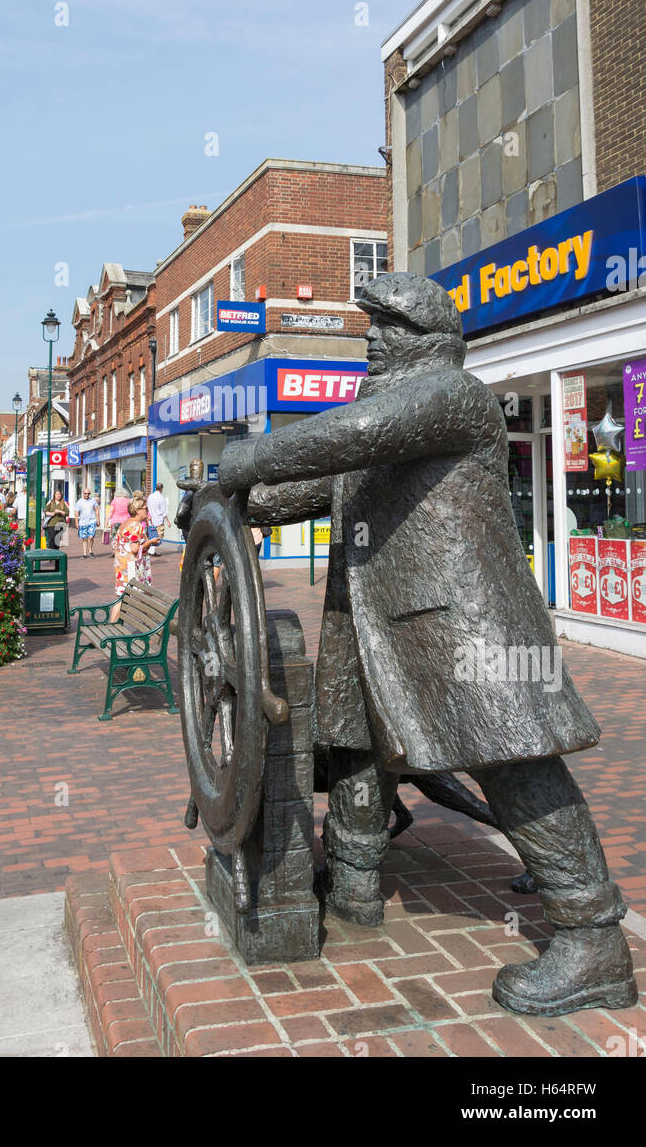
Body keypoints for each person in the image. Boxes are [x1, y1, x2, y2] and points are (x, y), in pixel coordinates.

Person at [217, 270, 636, 1019]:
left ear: (430, 341)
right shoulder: (386, 414)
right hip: (382, 627)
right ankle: (354, 880)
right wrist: (223, 500)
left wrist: (240, 461)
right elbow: (305, 488)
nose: (372, 338)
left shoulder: (451, 396)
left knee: (515, 764)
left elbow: (346, 437)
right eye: (370, 325)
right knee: (358, 750)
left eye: (389, 327)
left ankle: (591, 935)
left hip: (470, 622)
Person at [109, 494, 155, 623]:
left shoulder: (125, 523)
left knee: (123, 595)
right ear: (137, 510)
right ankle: (149, 625)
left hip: (121, 564)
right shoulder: (136, 526)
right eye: (145, 508)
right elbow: (135, 549)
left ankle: (149, 623)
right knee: (140, 594)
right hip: (132, 566)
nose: (147, 511)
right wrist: (150, 542)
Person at [146, 482, 170, 555]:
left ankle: (151, 550)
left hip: (151, 519)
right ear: (162, 489)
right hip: (159, 520)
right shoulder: (161, 497)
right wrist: (168, 521)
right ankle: (152, 551)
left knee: (152, 534)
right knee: (158, 536)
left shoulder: (150, 496)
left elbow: (147, 507)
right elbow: (163, 511)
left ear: (155, 488)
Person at [76, 487, 99, 558]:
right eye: (85, 493)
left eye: (88, 493)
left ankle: (90, 551)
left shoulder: (93, 501)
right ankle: (84, 554)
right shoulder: (79, 502)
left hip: (92, 521)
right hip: (83, 522)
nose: (87, 495)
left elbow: (96, 510)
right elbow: (76, 513)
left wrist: (98, 520)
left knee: (91, 537)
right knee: (84, 538)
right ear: (83, 493)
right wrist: (76, 523)